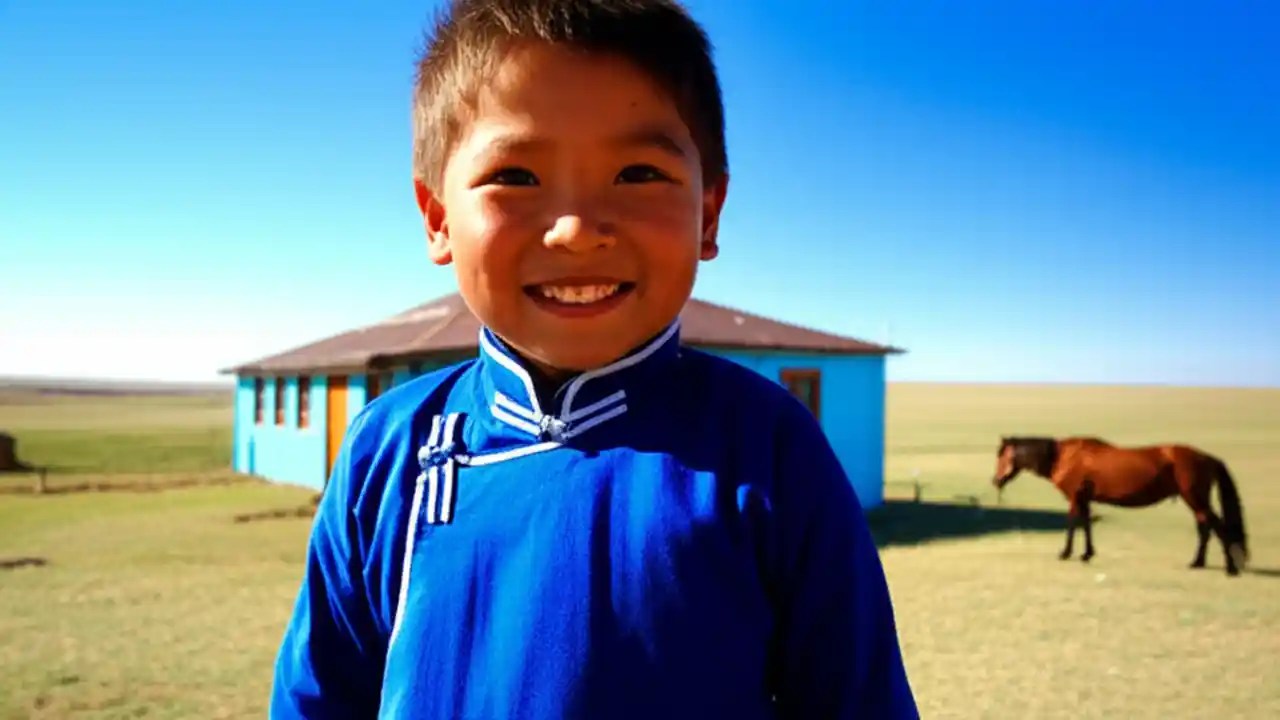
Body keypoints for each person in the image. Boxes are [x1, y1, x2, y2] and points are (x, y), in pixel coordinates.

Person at [269, 0, 918, 717]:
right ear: (438, 218)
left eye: (637, 173)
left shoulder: (769, 448)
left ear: (708, 214)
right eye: (516, 176)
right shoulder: (388, 450)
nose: (576, 230)